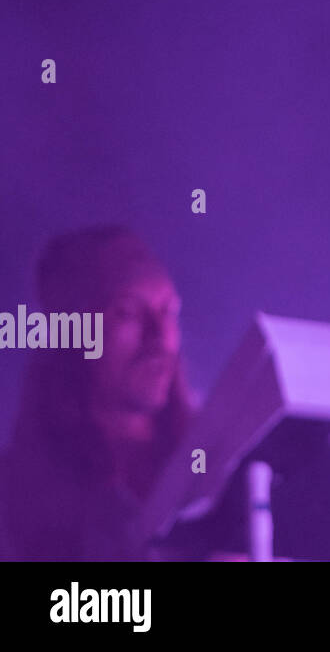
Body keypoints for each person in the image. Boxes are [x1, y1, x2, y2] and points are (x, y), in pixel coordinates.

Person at [0, 225, 195, 561]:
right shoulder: (13, 495)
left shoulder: (222, 471)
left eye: (168, 311)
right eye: (127, 312)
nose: (160, 338)